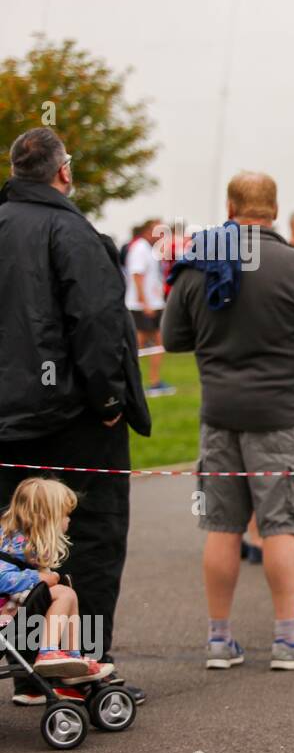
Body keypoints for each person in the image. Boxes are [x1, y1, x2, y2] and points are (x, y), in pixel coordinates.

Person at [162, 171, 294, 672]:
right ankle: (288, 638)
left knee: (222, 524)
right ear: (273, 209)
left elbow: (173, 338)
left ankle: (219, 639)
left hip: (219, 413)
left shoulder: (198, 264)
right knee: (282, 524)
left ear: (230, 205)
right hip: (281, 414)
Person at [0, 127, 151, 705]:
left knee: (17, 543)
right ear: (63, 172)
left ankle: (28, 672)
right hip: (73, 423)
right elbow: (97, 323)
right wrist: (109, 401)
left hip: (14, 421)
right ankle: (75, 667)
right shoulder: (71, 231)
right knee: (85, 540)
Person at [1, 478, 115, 701]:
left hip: (11, 609)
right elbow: (3, 579)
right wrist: (38, 577)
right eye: (64, 515)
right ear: (47, 518)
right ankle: (48, 652)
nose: (69, 520)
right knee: (63, 593)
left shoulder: (23, 545)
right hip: (5, 615)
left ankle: (73, 657)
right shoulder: (10, 544)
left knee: (67, 591)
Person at [123, 219, 175, 396]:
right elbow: (137, 275)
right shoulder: (140, 248)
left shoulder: (149, 249)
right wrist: (144, 302)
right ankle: (132, 382)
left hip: (153, 302)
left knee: (158, 343)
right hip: (143, 305)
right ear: (148, 231)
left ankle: (153, 382)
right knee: (139, 344)